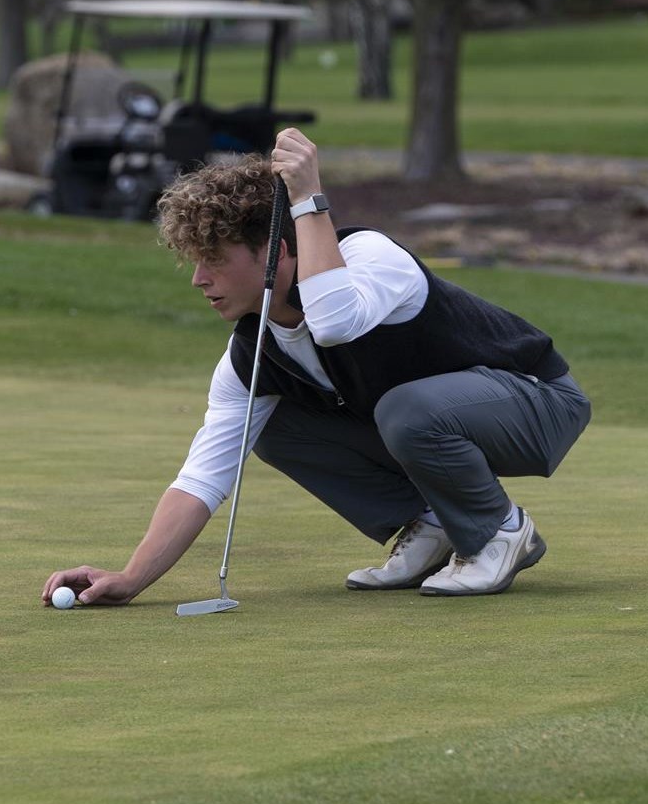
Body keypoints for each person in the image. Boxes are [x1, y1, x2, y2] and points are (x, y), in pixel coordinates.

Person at [43, 129, 591, 605]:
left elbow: (333, 322)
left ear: (277, 250)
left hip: (537, 402)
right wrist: (130, 578)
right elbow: (204, 477)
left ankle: (499, 531)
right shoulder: (251, 356)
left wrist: (306, 197)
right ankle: (431, 524)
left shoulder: (371, 257)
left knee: (405, 408)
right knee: (275, 428)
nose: (198, 280)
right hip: (443, 421)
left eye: (215, 259)